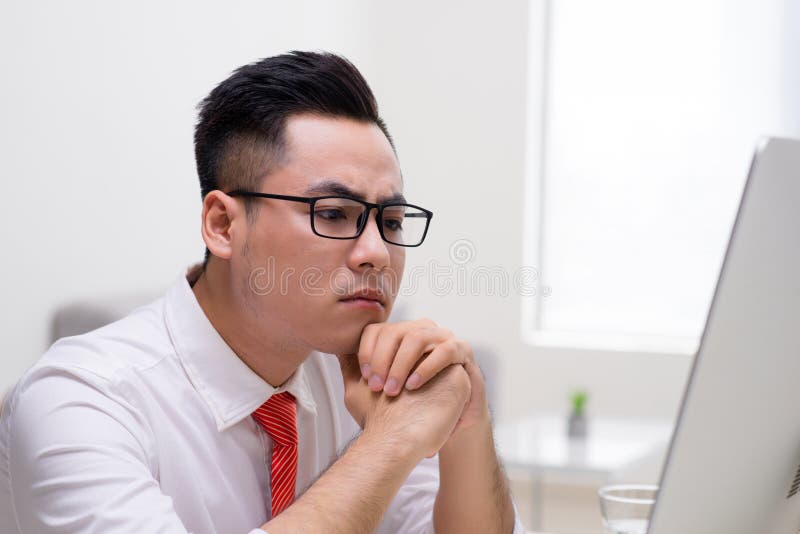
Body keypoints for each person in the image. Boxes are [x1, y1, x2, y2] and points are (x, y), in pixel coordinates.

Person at [0, 51, 525, 533]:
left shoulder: (364, 372)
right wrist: (388, 443)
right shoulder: (80, 398)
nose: (377, 253)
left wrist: (467, 425)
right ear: (223, 225)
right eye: (333, 214)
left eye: (389, 221)